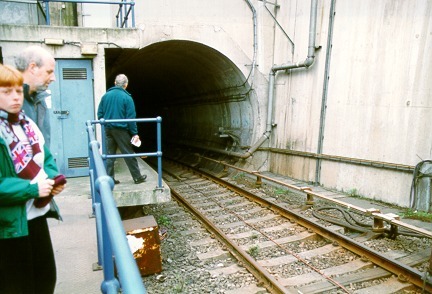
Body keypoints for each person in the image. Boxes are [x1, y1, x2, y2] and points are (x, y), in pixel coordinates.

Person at [0, 64, 65, 294]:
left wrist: (52, 180)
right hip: (9, 225)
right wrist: (32, 188)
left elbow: (45, 156)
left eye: (18, 91)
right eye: (6, 92)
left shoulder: (26, 123)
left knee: (46, 278)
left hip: (36, 215)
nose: (16, 97)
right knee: (17, 286)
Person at [97, 74, 147, 184]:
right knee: (129, 153)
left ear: (115, 83)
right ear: (126, 85)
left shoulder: (106, 96)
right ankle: (137, 177)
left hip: (108, 129)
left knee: (109, 155)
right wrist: (134, 133)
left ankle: (109, 179)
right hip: (120, 130)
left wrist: (105, 123)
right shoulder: (127, 98)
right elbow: (131, 118)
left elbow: (99, 113)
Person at [15, 45, 56, 148]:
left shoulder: (40, 97)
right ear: (32, 67)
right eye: (49, 72)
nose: (53, 78)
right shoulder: (7, 101)